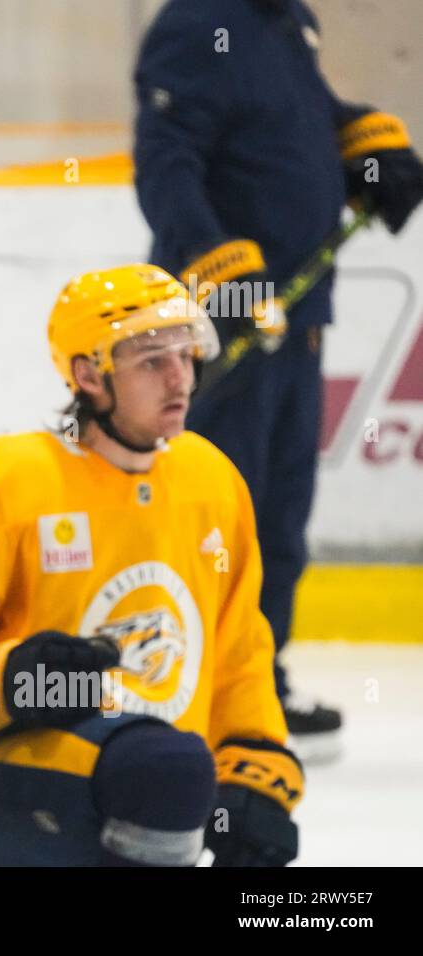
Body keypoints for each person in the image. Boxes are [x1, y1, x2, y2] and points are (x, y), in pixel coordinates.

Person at [0, 265, 305, 867]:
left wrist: (255, 765)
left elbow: (238, 649)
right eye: (152, 361)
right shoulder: (7, 478)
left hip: (160, 784)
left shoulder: (212, 479)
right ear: (87, 375)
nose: (180, 378)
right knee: (169, 768)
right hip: (23, 773)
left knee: (190, 784)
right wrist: (11, 678)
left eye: (186, 355)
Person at [133, 0, 423, 760]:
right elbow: (165, 159)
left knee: (279, 517)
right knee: (218, 518)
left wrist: (362, 149)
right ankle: (190, 684)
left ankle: (259, 682)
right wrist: (212, 268)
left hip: (297, 323)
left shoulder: (287, 20)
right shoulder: (196, 24)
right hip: (229, 322)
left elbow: (301, 119)